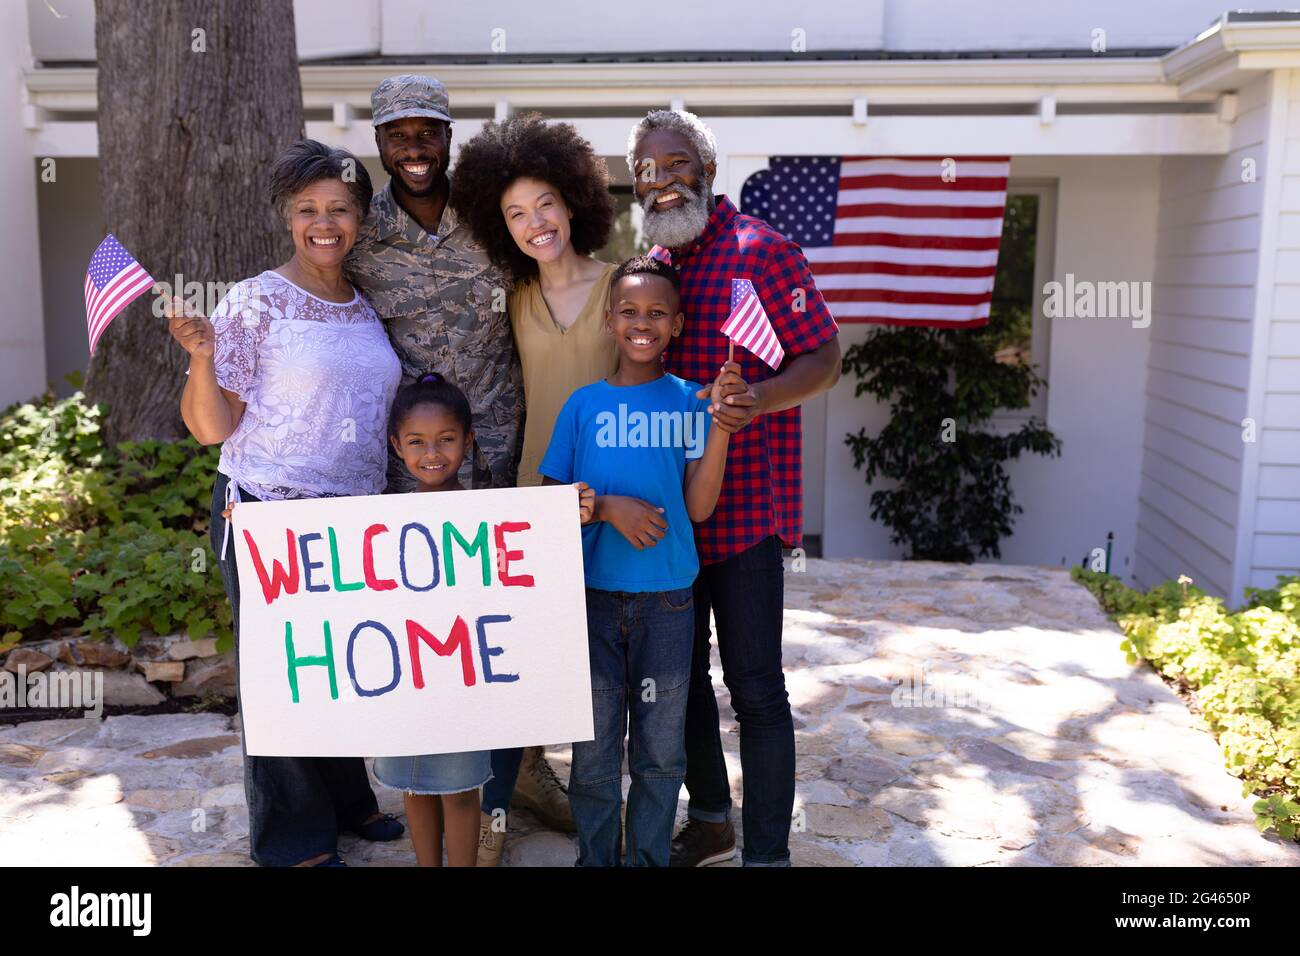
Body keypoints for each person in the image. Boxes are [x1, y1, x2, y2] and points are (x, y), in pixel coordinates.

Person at [166, 139, 405, 867]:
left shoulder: (364, 306)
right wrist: (202, 360)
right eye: (307, 210)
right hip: (268, 510)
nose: (323, 223)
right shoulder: (256, 299)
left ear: (360, 218)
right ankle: (293, 840)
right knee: (284, 677)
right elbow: (212, 428)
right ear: (287, 218)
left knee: (333, 667)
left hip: (347, 520)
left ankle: (347, 804)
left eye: (338, 208)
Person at [345, 77, 570, 845]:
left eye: (427, 132)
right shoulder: (359, 235)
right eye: (397, 134)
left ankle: (521, 772)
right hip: (420, 468)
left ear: (448, 137)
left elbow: (555, 280)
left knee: (511, 625)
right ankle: (457, 786)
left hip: (505, 455)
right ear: (379, 143)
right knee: (439, 635)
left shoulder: (489, 215)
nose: (413, 147)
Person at [626, 110, 842, 867]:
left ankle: (767, 855)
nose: (661, 179)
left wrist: (762, 399)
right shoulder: (653, 266)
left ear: (707, 172)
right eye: (647, 169)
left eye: (676, 162)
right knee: (680, 682)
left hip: (746, 511)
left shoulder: (764, 252)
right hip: (670, 518)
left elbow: (823, 357)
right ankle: (712, 818)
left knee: (756, 689)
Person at [449, 112, 620, 862]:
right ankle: (496, 816)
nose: (533, 222)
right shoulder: (510, 297)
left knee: (599, 674)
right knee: (519, 670)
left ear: (575, 199)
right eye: (514, 212)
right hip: (533, 499)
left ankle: (602, 820)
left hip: (617, 505)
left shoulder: (626, 287)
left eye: (544, 203)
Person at [538, 255, 738, 866]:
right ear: (609, 321)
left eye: (657, 313)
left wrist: (724, 426)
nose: (642, 322)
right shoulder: (582, 406)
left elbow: (699, 508)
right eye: (629, 311)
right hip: (593, 596)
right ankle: (596, 859)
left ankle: (648, 857)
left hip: (670, 601)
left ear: (678, 325)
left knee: (660, 751)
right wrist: (608, 508)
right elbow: (552, 504)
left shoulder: (691, 402)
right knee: (594, 751)